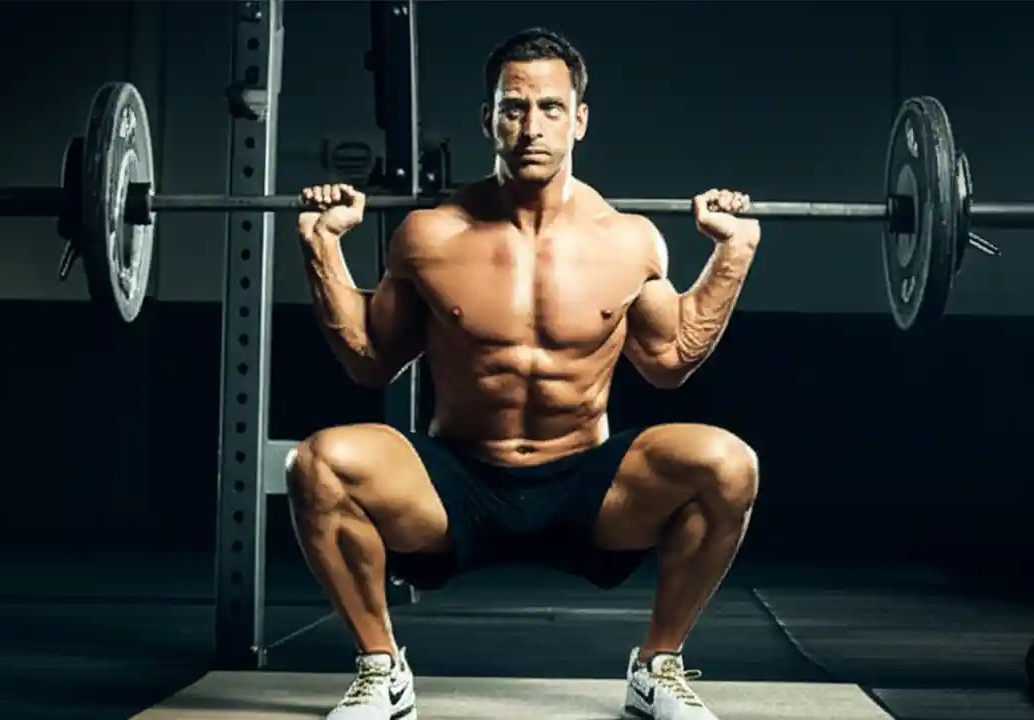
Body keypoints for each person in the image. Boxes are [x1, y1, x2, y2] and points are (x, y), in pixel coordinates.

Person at [288, 26, 761, 720]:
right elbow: (369, 363)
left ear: (579, 119)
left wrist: (733, 255)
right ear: (489, 120)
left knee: (729, 466)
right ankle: (381, 669)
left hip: (585, 483)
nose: (531, 126)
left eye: (549, 108)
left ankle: (657, 669)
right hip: (457, 481)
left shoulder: (627, 240)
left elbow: (669, 364)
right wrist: (323, 250)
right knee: (317, 465)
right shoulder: (429, 234)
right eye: (514, 108)